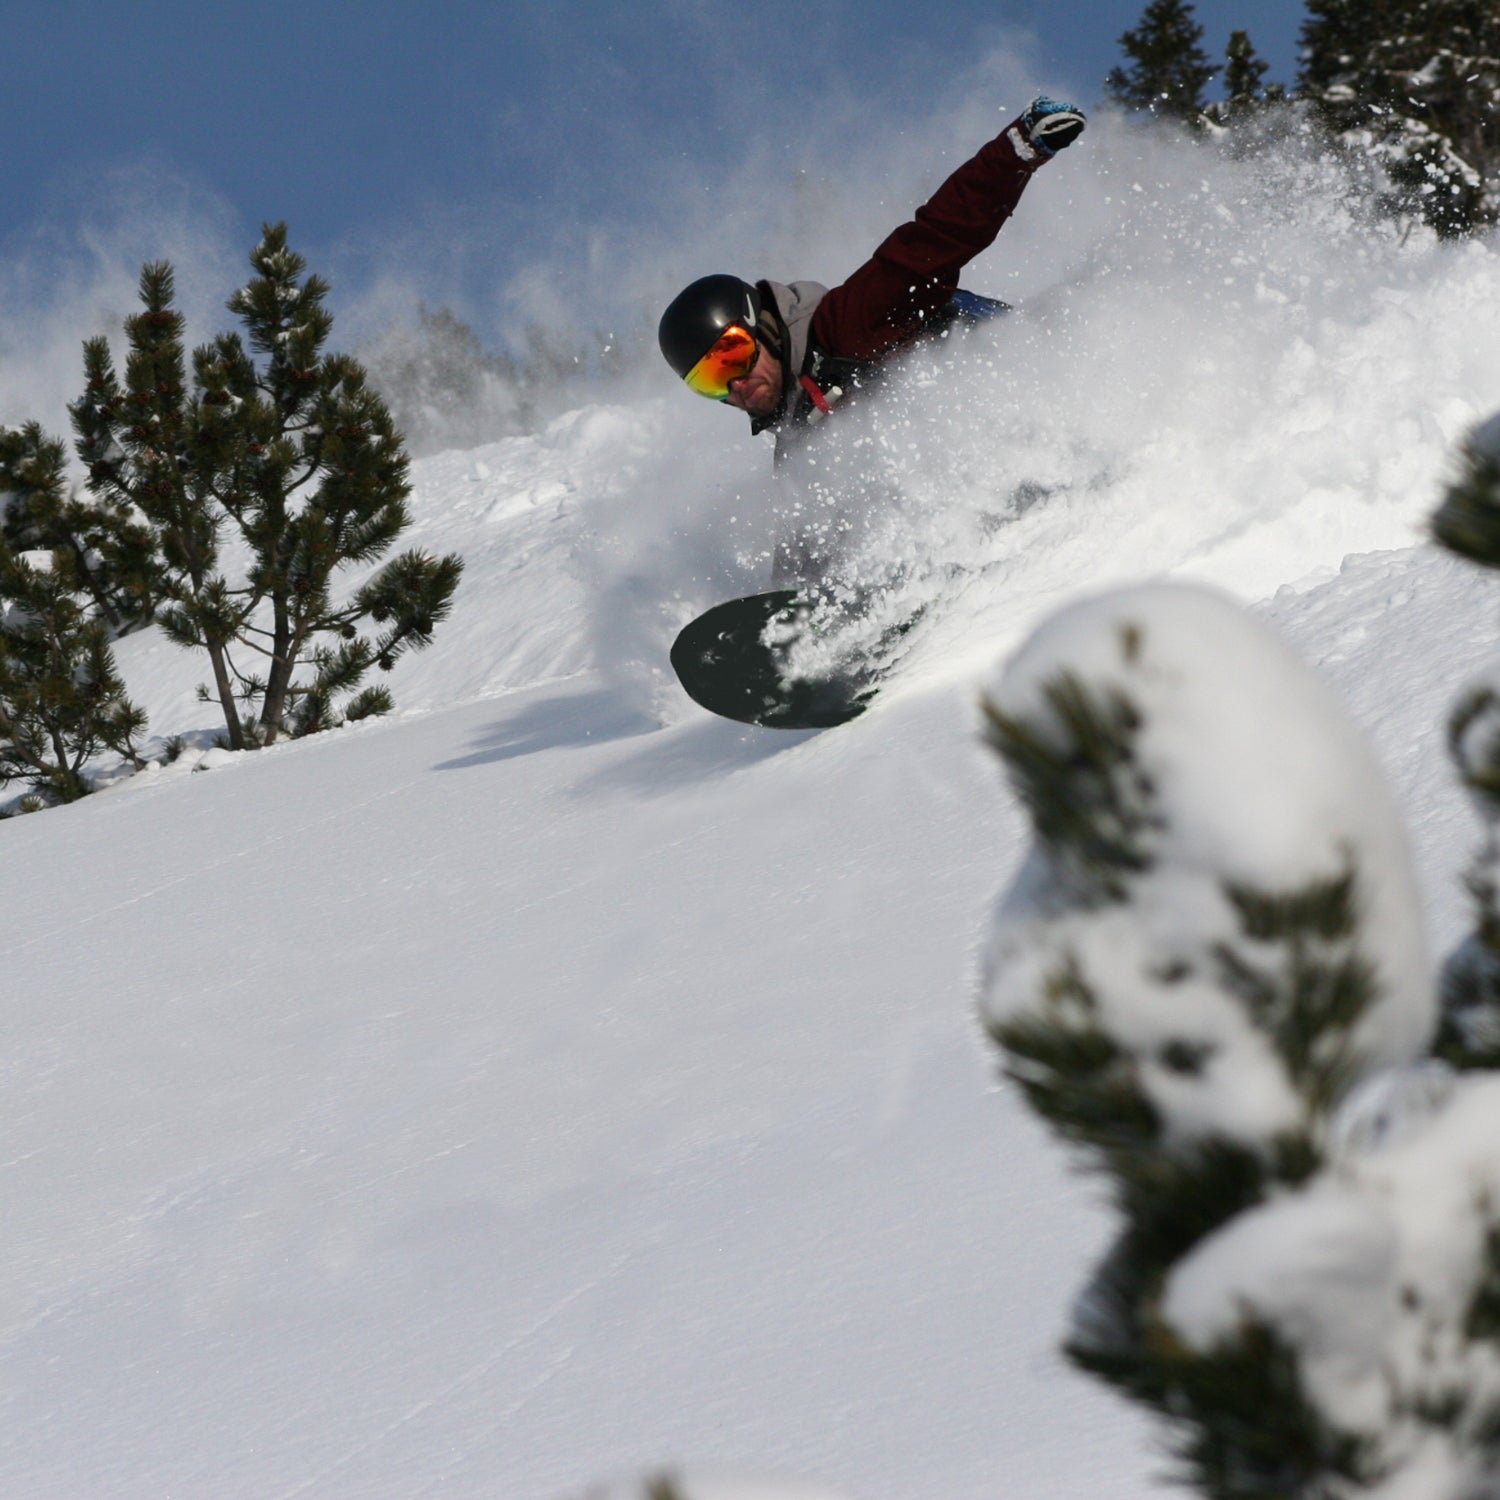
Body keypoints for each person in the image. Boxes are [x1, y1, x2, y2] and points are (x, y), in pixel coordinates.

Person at [658, 96, 1086, 465]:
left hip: (1037, 380)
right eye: (710, 382)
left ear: (762, 329)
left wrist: (1018, 148)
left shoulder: (845, 328)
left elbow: (936, 238)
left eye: (731, 357)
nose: (735, 385)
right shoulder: (796, 445)